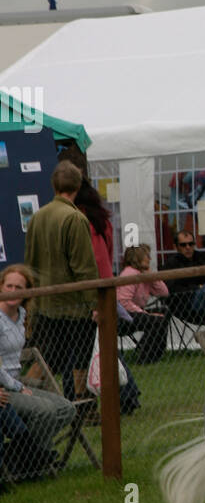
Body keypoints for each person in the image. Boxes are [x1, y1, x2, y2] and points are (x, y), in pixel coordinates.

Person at [24, 161, 98, 400]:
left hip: (46, 303)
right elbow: (84, 268)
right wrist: (95, 305)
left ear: (54, 184)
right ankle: (82, 405)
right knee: (82, 356)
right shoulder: (74, 219)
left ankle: (25, 393)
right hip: (75, 306)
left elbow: (30, 261)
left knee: (49, 357)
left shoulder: (37, 217)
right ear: (77, 185)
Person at [0, 264, 75, 476]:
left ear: (28, 292)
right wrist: (16, 386)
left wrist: (20, 384)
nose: (13, 292)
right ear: (1, 287)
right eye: (9, 286)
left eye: (19, 288)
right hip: (4, 389)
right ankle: (33, 459)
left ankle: (22, 458)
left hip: (16, 382)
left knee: (66, 408)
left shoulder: (22, 315)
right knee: (45, 411)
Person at [162, 231, 205, 355]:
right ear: (176, 247)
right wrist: (197, 288)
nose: (188, 247)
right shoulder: (171, 264)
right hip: (186, 305)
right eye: (183, 245)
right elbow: (170, 289)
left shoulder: (204, 258)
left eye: (191, 244)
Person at [116, 245, 169, 363]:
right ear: (138, 258)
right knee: (155, 321)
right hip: (123, 317)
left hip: (135, 312)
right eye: (147, 256)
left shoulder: (142, 273)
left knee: (164, 312)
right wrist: (145, 314)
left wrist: (151, 276)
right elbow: (123, 302)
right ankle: (146, 358)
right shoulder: (130, 274)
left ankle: (152, 351)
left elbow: (163, 292)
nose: (150, 259)